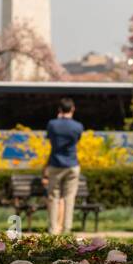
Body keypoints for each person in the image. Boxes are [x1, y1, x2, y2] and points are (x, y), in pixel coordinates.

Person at [45, 97, 83, 235]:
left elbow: (51, 140)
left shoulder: (52, 124)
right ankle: (67, 229)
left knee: (53, 197)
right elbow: (76, 141)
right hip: (72, 164)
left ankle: (53, 229)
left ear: (59, 109)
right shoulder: (78, 126)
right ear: (73, 109)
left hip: (55, 164)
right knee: (69, 197)